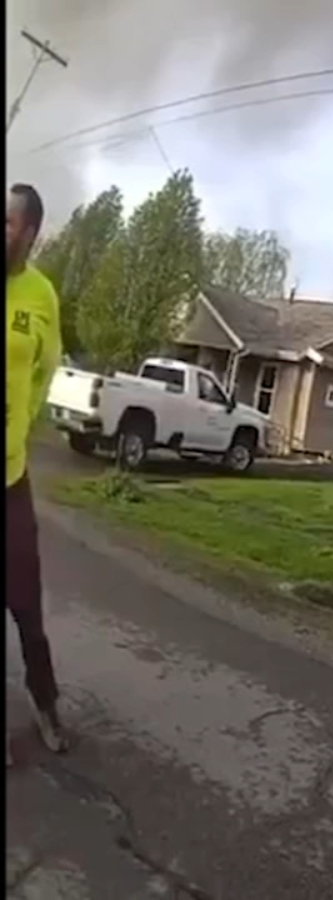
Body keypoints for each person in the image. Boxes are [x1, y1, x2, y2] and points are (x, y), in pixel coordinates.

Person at [7, 183, 67, 765]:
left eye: (6, 223)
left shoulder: (42, 295)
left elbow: (48, 368)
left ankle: (44, 700)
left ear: (29, 232)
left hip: (11, 475)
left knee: (26, 602)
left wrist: (22, 421)